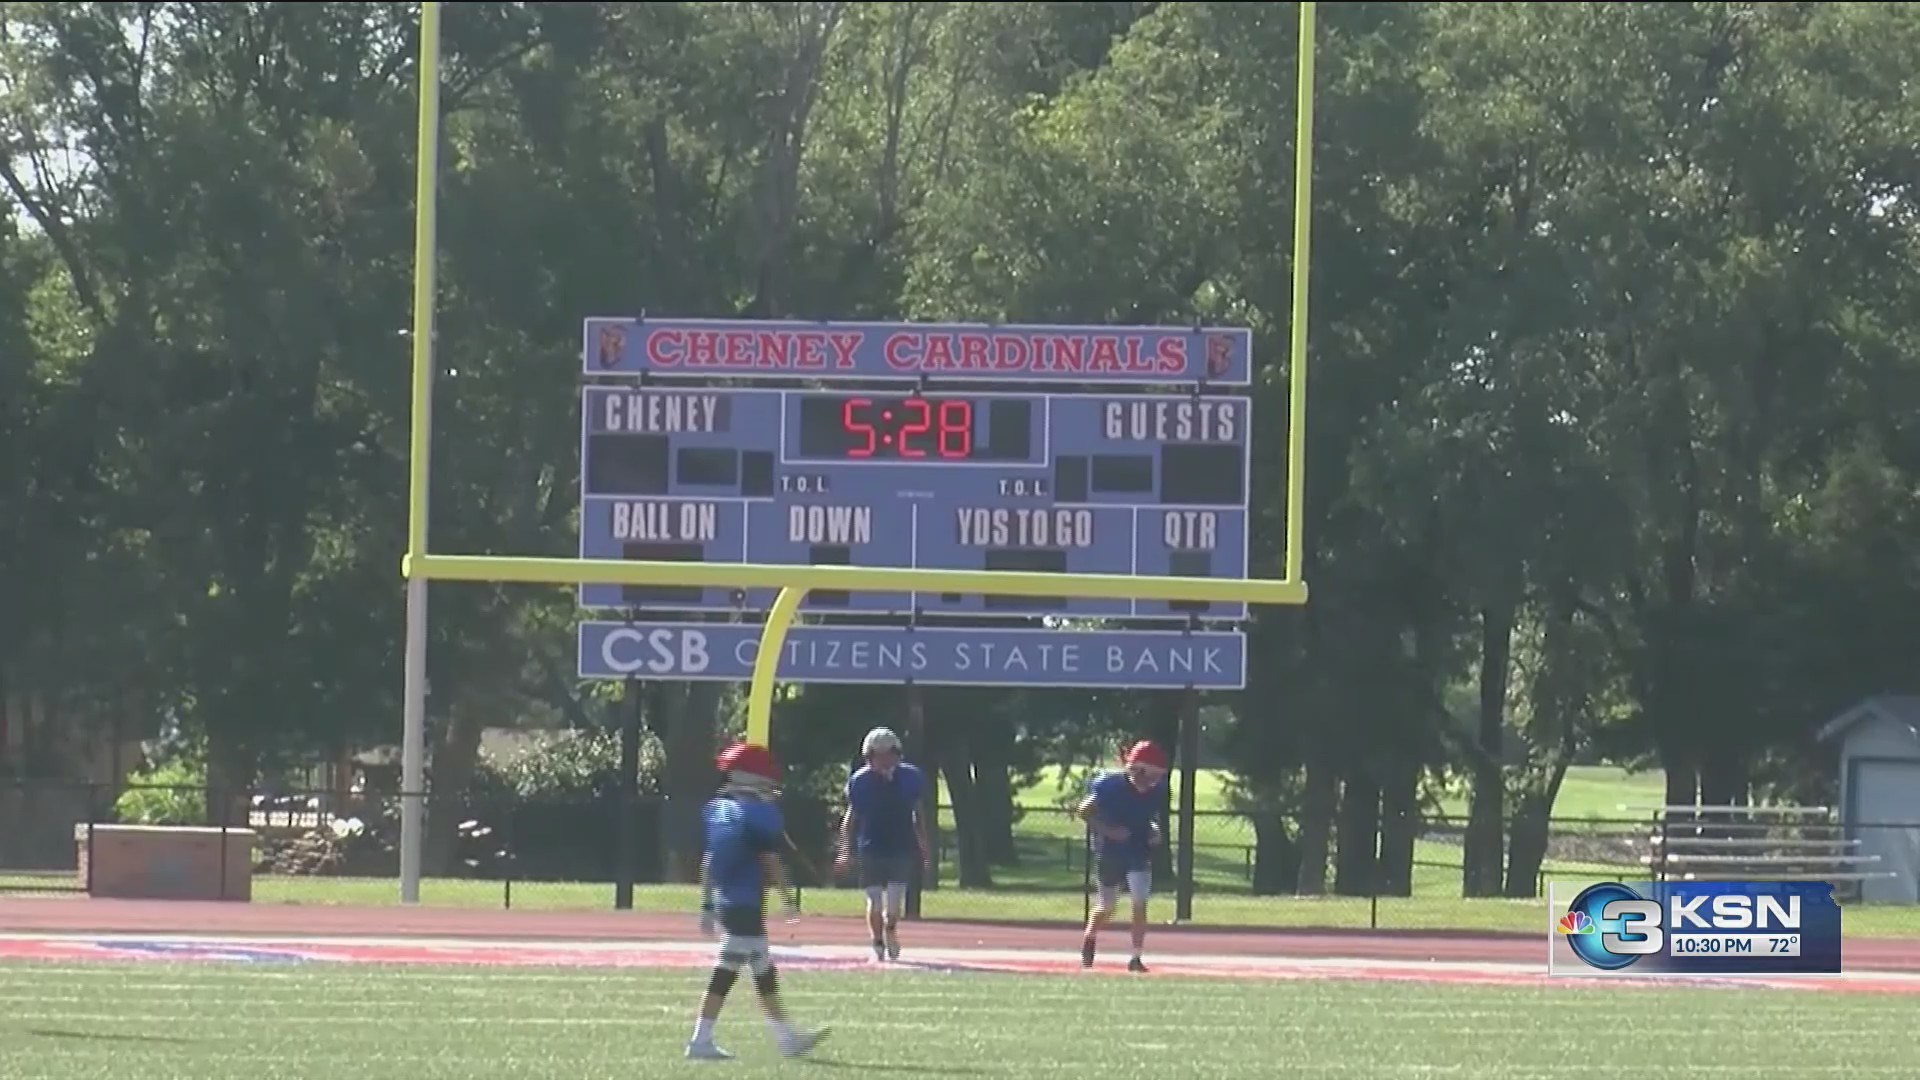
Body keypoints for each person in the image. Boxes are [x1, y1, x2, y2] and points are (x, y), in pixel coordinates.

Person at [685, 741, 830, 1061]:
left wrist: (707, 905)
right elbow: (770, 862)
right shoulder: (759, 814)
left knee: (763, 971)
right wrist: (788, 898)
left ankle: (786, 1037)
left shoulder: (718, 809)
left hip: (728, 901)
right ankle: (701, 1038)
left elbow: (709, 861)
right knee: (727, 971)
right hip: (746, 902)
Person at [1075, 740, 1170, 973]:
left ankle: (1136, 956)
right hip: (1111, 850)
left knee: (1140, 902)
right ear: (1136, 769)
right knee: (1107, 905)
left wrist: (1154, 830)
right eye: (1150, 774)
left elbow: (1149, 817)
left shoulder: (1156, 791)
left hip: (1138, 848)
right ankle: (1090, 935)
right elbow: (1083, 811)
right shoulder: (1110, 786)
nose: (1152, 781)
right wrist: (1109, 831)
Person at [835, 726, 928, 962]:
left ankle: (890, 930)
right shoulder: (860, 782)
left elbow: (918, 815)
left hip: (901, 846)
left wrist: (923, 846)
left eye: (889, 754)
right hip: (871, 847)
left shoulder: (910, 777)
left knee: (894, 907)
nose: (884, 760)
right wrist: (845, 850)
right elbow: (850, 819)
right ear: (869, 757)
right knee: (874, 901)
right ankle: (876, 940)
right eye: (879, 755)